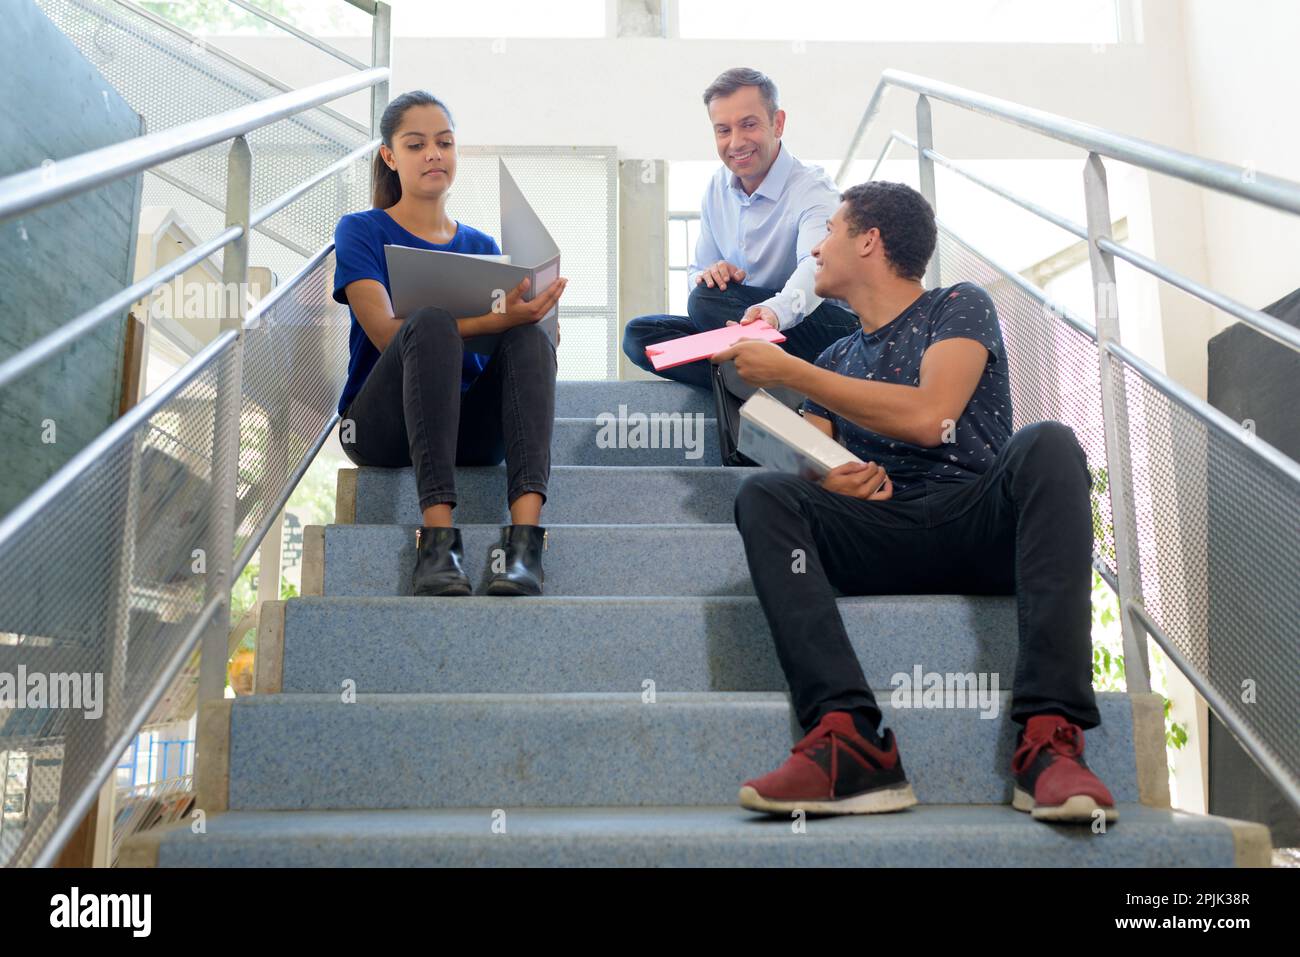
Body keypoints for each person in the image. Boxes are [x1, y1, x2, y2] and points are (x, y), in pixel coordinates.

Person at [715, 181, 1116, 824]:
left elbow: (934, 416)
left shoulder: (958, 305)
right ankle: (850, 740)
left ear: (869, 240)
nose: (816, 248)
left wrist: (792, 372)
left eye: (831, 232)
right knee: (765, 495)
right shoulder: (839, 354)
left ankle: (1048, 738)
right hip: (882, 530)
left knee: (1049, 444)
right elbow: (809, 455)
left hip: (974, 521)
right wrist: (827, 480)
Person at [332, 90, 567, 597]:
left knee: (529, 335)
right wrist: (487, 320)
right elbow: (383, 331)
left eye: (444, 143)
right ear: (390, 157)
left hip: (468, 432)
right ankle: (438, 544)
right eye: (416, 146)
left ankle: (525, 546)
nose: (434, 154)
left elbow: (507, 344)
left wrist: (537, 326)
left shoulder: (483, 248)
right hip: (378, 429)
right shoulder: (361, 230)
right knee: (431, 323)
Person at [621, 67, 860, 390]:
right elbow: (697, 272)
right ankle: (765, 382)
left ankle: (762, 376)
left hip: (822, 327)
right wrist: (711, 274)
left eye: (748, 125)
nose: (735, 142)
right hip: (743, 323)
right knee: (641, 336)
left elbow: (816, 268)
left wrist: (773, 313)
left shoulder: (812, 189)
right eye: (723, 130)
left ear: (778, 123)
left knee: (706, 303)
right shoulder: (717, 188)